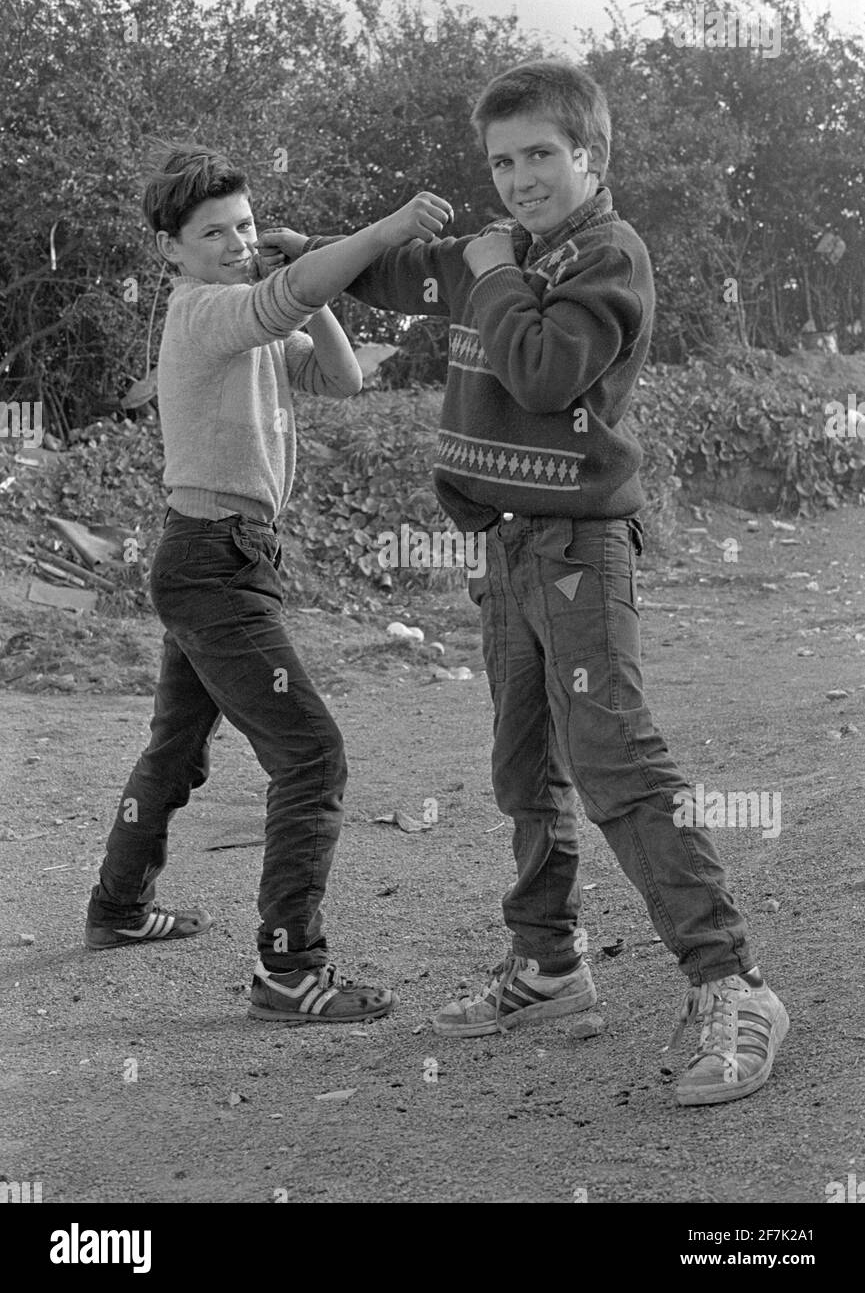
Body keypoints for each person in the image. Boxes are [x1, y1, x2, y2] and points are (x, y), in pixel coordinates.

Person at [258, 60, 789, 1102]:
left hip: (578, 552)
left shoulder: (605, 255)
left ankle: (733, 981)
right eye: (501, 161)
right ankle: (547, 964)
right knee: (522, 769)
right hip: (501, 547)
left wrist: (495, 266)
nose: (519, 177)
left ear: (588, 155)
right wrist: (303, 254)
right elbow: (390, 274)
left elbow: (546, 372)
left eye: (540, 154)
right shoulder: (497, 251)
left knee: (617, 764)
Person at [85, 141, 451, 1027]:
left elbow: (344, 377)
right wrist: (384, 231)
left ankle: (118, 908)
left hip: (216, 558)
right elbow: (284, 297)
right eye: (214, 231)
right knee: (311, 755)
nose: (237, 241)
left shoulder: (244, 324)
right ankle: (290, 970)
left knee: (177, 748)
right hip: (215, 565)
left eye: (246, 225)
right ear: (172, 250)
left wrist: (304, 265)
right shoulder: (205, 311)